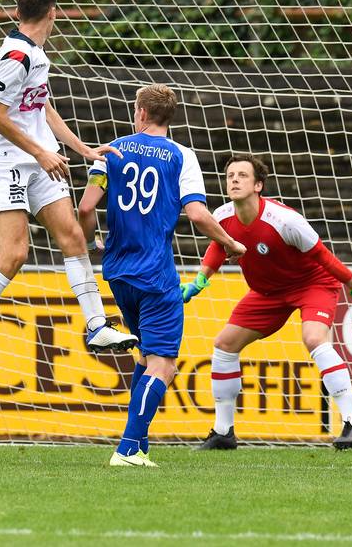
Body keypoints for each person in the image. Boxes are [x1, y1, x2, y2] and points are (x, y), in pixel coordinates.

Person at [0, 0, 127, 390]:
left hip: (36, 158)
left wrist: (81, 149)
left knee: (73, 238)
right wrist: (42, 153)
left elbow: (41, 106)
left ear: (18, 11)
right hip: (7, 161)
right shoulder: (15, 56)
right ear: (53, 12)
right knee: (14, 254)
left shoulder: (35, 53)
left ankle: (97, 325)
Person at [77, 83, 245, 467]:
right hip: (155, 273)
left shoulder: (112, 149)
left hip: (117, 270)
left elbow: (86, 208)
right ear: (169, 117)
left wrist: (91, 245)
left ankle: (138, 446)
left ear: (140, 113)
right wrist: (231, 243)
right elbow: (199, 215)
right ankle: (127, 448)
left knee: (145, 356)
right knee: (164, 363)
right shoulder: (181, 156)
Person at [181, 154, 352, 451]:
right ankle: (223, 432)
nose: (234, 180)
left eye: (242, 175)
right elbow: (218, 246)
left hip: (311, 284)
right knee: (224, 345)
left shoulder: (286, 221)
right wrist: (201, 279)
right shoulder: (222, 216)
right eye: (230, 175)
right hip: (267, 293)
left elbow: (324, 257)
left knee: (314, 338)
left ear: (258, 185)